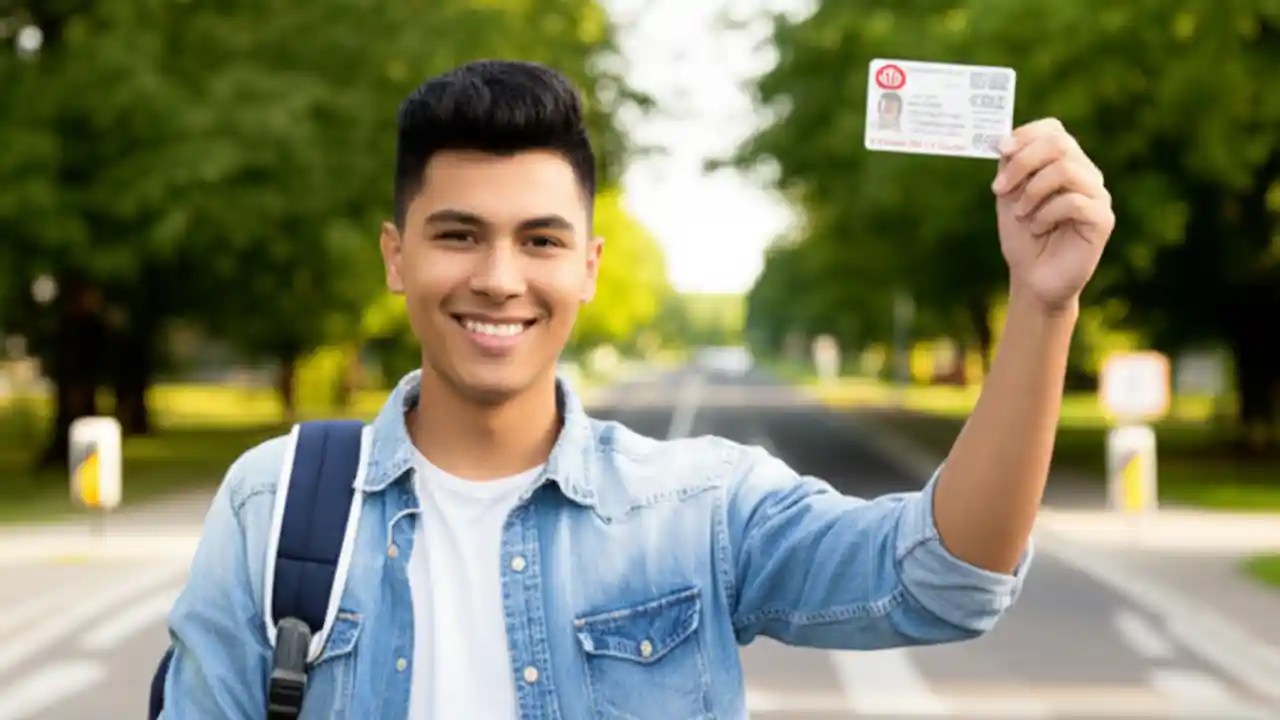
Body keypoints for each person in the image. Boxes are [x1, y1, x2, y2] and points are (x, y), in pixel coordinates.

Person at [158, 59, 1115, 718]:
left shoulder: (696, 506)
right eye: (458, 235)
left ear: (588, 267)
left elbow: (947, 579)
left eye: (540, 240)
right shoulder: (271, 504)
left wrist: (1042, 307)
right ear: (396, 257)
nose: (499, 277)